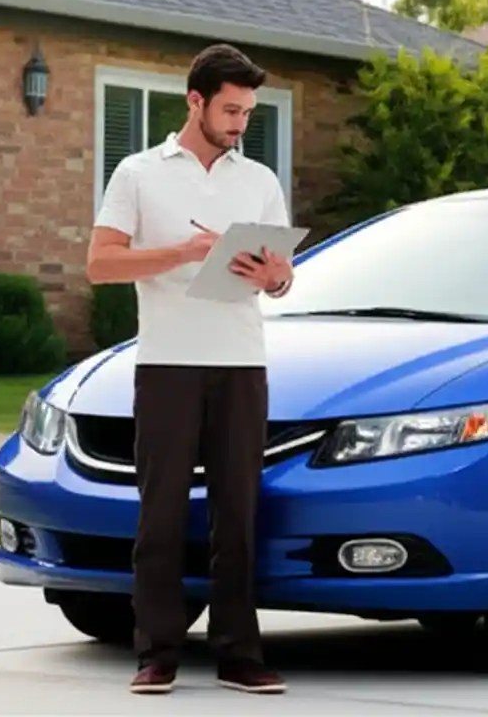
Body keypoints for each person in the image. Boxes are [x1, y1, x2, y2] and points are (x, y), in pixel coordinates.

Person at [85, 43, 294, 695]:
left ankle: (239, 654)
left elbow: (282, 278)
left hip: (241, 362)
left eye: (248, 112)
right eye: (230, 110)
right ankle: (157, 653)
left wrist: (275, 275)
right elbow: (100, 263)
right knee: (162, 515)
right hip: (167, 362)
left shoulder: (259, 180)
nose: (240, 123)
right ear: (195, 101)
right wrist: (183, 251)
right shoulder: (138, 173)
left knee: (238, 514)